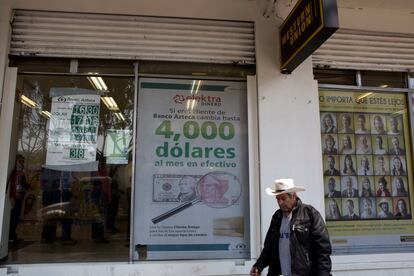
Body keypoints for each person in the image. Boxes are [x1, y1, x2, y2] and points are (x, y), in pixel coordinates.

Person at [250, 179, 331, 276]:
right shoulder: (277, 217)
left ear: (293, 196)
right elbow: (269, 247)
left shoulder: (309, 213)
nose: (280, 202)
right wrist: (258, 266)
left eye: (283, 198)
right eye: (277, 199)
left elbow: (323, 250)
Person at [8, 154, 27, 243]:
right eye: (20, 161)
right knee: (13, 216)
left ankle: (12, 233)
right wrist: (12, 197)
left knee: (16, 216)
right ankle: (10, 234)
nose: (22, 163)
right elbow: (11, 186)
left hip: (20, 197)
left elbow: (23, 185)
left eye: (23, 162)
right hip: (15, 198)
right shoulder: (14, 173)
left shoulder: (22, 173)